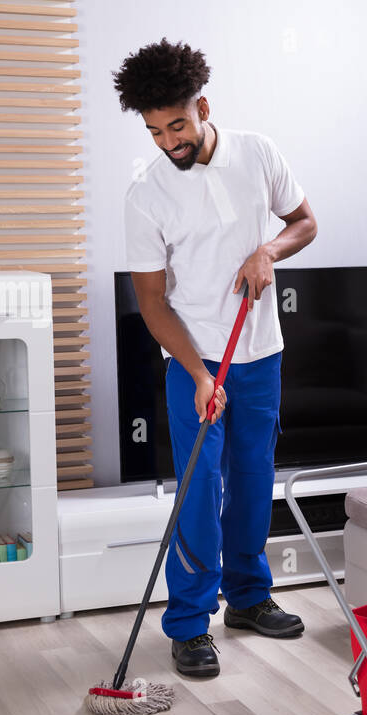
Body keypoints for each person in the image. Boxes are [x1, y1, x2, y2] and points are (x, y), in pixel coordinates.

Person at [115, 39, 318, 678]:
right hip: (196, 361)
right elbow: (151, 303)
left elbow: (305, 222)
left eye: (176, 125)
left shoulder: (258, 153)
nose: (168, 142)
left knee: (255, 479)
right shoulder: (146, 194)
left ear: (202, 107)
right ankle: (188, 624)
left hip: (262, 355)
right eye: (154, 131)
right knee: (200, 491)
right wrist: (200, 374)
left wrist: (269, 252)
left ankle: (250, 599)